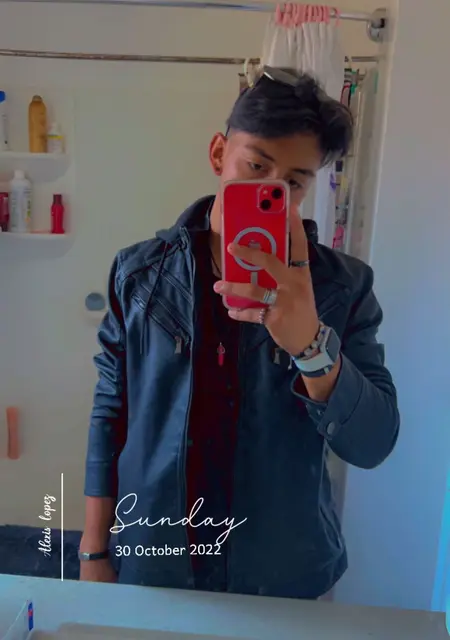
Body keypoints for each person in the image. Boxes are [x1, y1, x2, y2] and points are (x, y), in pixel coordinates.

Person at [79, 67, 400, 599]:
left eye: (293, 182)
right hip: (156, 556)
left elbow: (373, 443)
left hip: (284, 572)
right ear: (217, 154)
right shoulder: (138, 276)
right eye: (256, 165)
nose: (272, 189)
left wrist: (311, 347)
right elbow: (110, 414)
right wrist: (93, 550)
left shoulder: (343, 287)